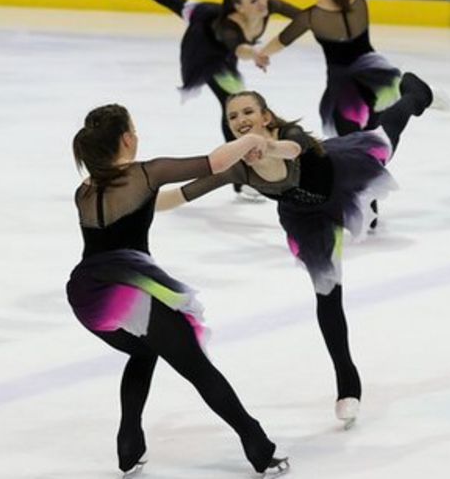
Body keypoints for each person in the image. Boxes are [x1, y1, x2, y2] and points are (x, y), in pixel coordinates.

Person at [164, 73, 435, 428]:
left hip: (343, 172)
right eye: (233, 117)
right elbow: (181, 194)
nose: (240, 120)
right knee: (327, 292)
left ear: (266, 117)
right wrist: (136, 199)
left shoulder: (289, 137)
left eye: (248, 112)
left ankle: (415, 96)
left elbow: (291, 150)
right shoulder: (237, 169)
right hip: (306, 220)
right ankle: (348, 385)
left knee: (385, 138)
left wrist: (267, 146)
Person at [67, 104, 289, 477]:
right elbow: (214, 161)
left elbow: (153, 206)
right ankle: (258, 446)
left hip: (85, 295)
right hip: (127, 292)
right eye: (134, 129)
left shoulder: (84, 190)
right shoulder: (144, 173)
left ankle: (129, 445)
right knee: (198, 368)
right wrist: (253, 139)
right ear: (125, 139)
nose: (137, 136)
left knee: (143, 353)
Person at [107, 0, 301, 201]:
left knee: (176, 1)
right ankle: (243, 172)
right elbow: (239, 48)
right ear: (238, 7)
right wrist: (256, 54)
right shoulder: (227, 28)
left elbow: (304, 16)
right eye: (253, 0)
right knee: (235, 105)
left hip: (207, 15)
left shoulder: (270, 5)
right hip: (207, 53)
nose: (262, 2)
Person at [256, 0, 450, 138]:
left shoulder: (312, 17)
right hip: (376, 76)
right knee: (371, 134)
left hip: (345, 87)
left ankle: (417, 91)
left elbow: (282, 40)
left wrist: (262, 55)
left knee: (350, 140)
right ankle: (415, 91)